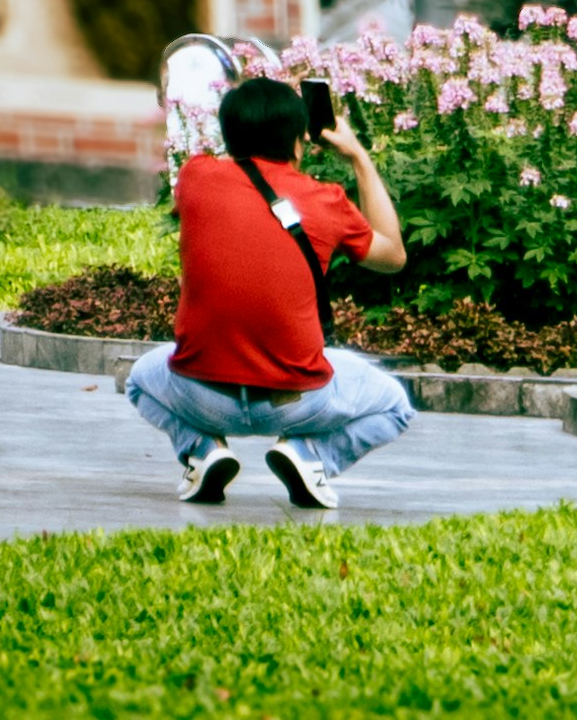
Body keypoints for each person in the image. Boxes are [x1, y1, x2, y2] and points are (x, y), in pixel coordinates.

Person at [122, 72, 415, 508]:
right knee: (395, 405)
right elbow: (393, 256)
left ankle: (203, 451)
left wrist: (249, 108)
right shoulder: (325, 199)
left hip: (202, 397)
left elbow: (234, 172)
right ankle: (310, 455)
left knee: (140, 379)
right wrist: (357, 156)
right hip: (296, 400)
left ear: (229, 131)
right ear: (300, 140)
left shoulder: (195, 178)